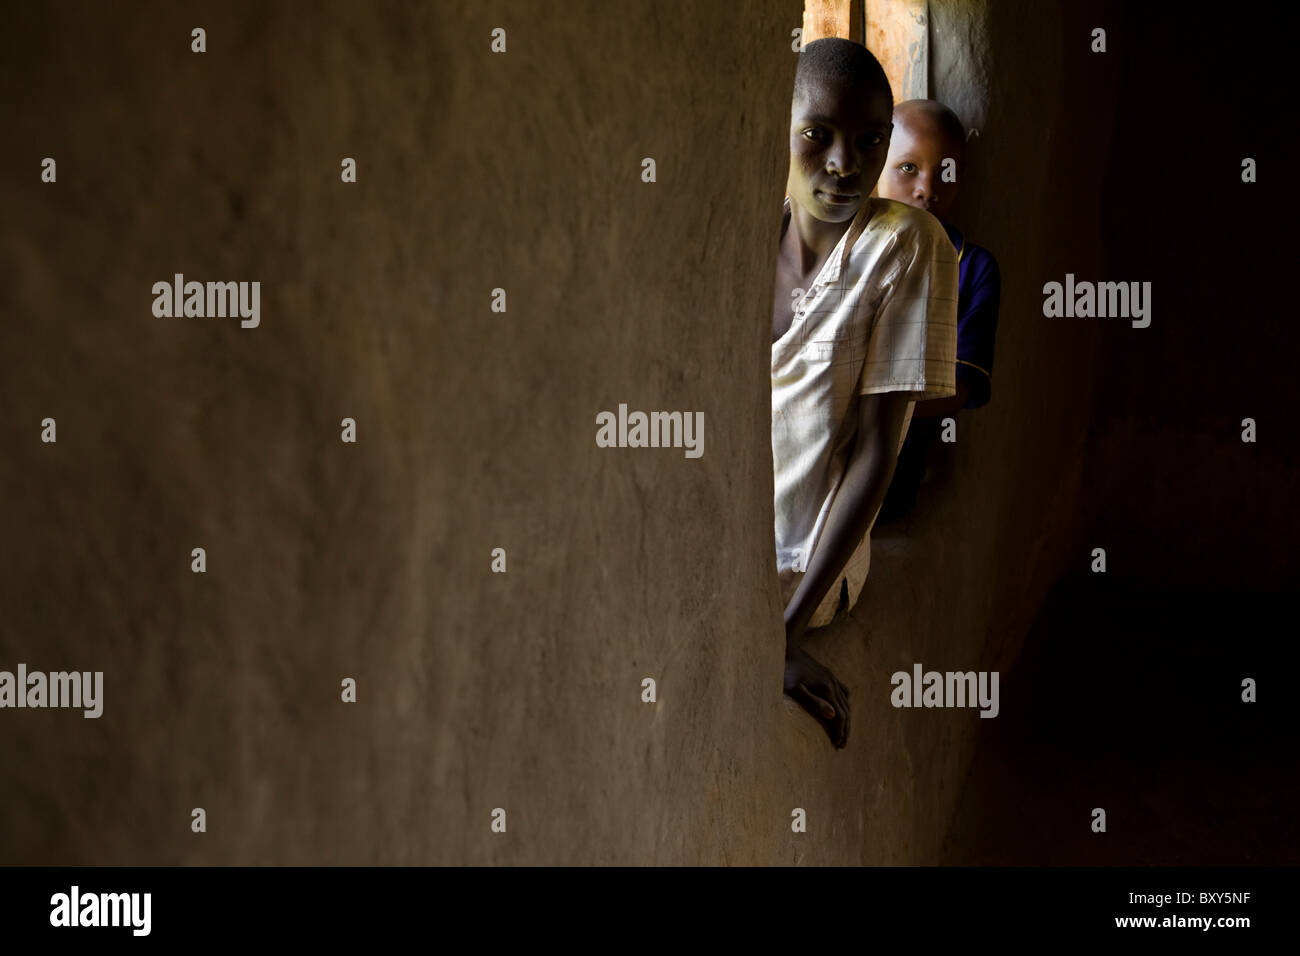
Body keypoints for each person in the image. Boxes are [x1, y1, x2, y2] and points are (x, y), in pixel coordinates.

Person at [773, 40, 959, 748]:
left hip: (802, 578)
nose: (845, 163)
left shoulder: (905, 246)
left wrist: (782, 636)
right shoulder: (741, 239)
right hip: (733, 557)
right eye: (817, 135)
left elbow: (879, 452)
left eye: (870, 141)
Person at [872, 99, 1002, 525]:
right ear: (876, 165)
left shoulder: (973, 268)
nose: (928, 187)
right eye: (908, 168)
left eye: (946, 171)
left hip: (893, 475)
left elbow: (958, 390)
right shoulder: (844, 247)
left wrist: (863, 410)